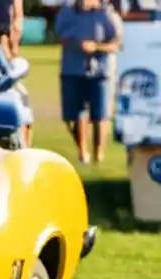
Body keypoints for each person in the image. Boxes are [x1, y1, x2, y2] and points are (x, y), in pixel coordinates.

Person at [56, 0, 124, 164]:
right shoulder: (67, 12)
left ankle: (98, 155)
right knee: (73, 115)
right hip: (72, 69)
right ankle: (82, 152)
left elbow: (117, 43)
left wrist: (96, 47)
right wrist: (74, 42)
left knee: (100, 115)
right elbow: (60, 35)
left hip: (101, 72)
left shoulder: (107, 13)